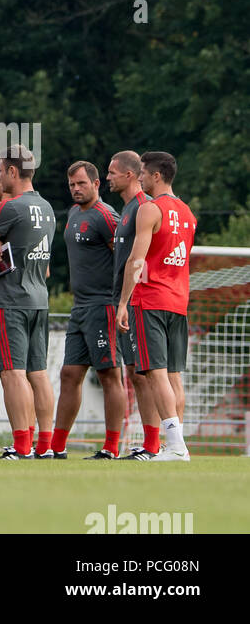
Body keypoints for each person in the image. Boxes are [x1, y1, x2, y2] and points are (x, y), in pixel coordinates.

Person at [0, 147, 56, 460]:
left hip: (12, 301)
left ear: (14, 173)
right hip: (39, 298)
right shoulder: (46, 207)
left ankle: (21, 447)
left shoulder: (10, 208)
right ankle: (45, 445)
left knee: (12, 373)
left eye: (2, 171)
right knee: (38, 372)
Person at [116, 151, 197, 462]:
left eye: (144, 174)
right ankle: (176, 443)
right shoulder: (189, 213)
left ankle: (176, 447)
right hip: (179, 301)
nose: (140, 179)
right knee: (174, 375)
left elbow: (136, 261)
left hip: (150, 300)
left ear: (156, 176)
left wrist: (123, 302)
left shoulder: (149, 210)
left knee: (156, 373)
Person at [51, 161, 124, 459]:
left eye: (81, 183)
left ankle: (111, 447)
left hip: (102, 305)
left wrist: (121, 302)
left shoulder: (107, 216)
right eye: (72, 185)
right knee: (69, 374)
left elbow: (124, 258)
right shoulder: (72, 213)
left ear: (96, 184)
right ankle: (55, 448)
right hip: (79, 307)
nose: (76, 189)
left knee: (108, 374)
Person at [106, 149, 160, 459]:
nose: (108, 177)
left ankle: (153, 445)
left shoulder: (143, 207)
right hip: (124, 300)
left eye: (112, 172)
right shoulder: (126, 209)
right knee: (134, 372)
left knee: (143, 374)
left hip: (140, 301)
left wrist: (127, 300)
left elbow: (142, 261)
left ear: (129, 174)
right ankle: (150, 443)